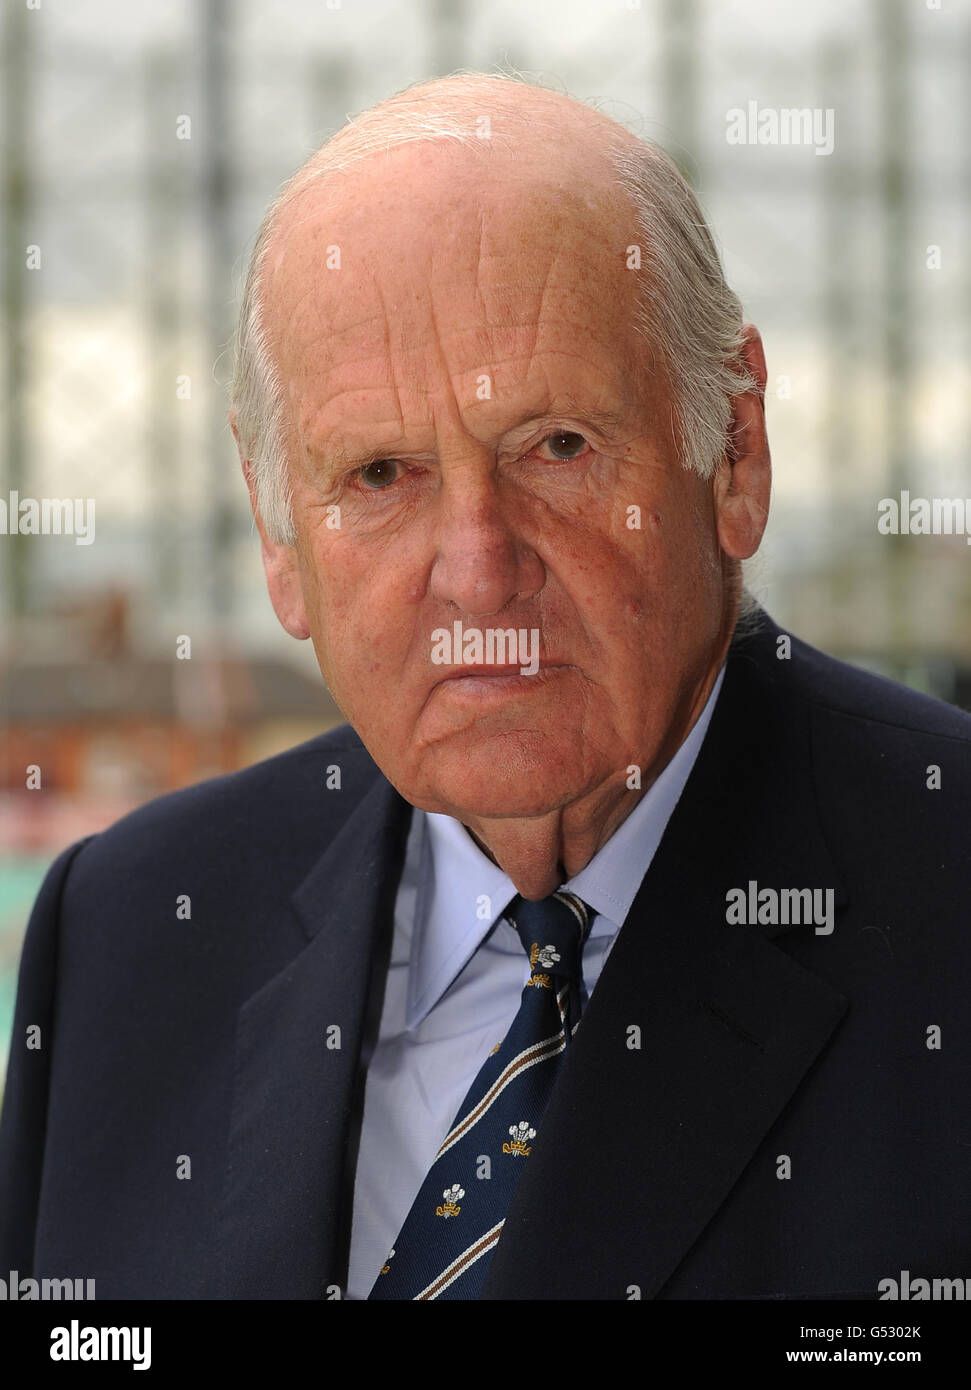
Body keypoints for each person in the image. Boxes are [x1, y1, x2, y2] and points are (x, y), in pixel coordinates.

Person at [1, 73, 968, 1302]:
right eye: (380, 473)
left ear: (733, 449)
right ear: (277, 535)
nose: (476, 570)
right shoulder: (129, 934)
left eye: (556, 446)